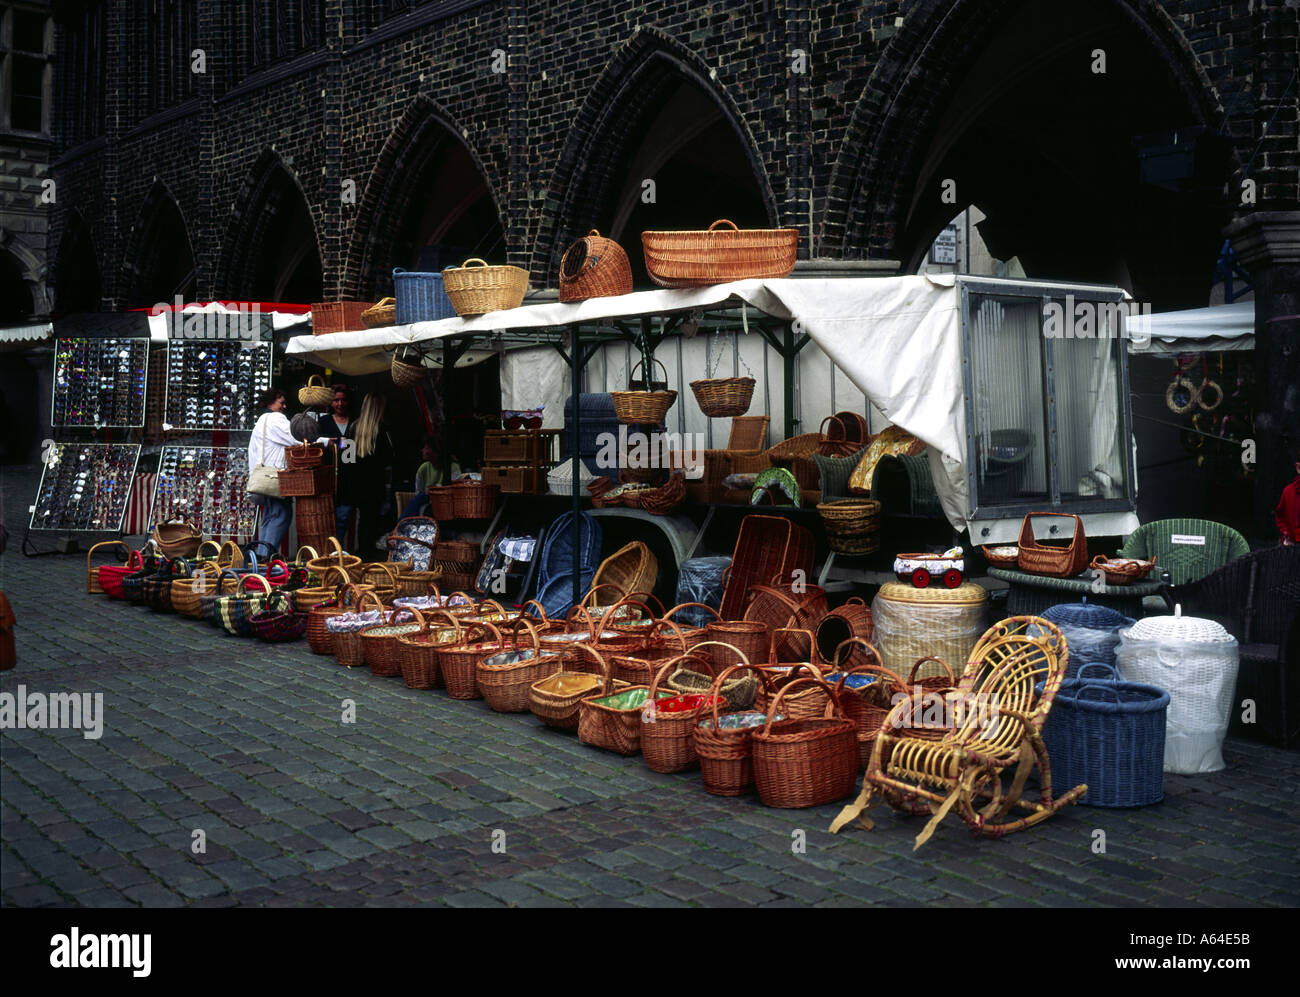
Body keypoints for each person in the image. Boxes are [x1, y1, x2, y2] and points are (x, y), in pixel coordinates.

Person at [247, 386, 300, 553]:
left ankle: (260, 556)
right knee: (281, 515)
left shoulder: (261, 421)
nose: (284, 406)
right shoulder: (276, 419)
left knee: (270, 516)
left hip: (264, 476)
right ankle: (265, 555)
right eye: (281, 402)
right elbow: (295, 438)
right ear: (272, 402)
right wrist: (324, 441)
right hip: (275, 477)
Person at [351, 392, 394, 552]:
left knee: (362, 521)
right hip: (375, 483)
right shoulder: (383, 430)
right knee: (373, 520)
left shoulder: (352, 427)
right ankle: (368, 555)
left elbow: (345, 458)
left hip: (356, 484)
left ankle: (362, 553)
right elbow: (389, 459)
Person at [318, 385, 356, 541]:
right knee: (326, 519)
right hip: (328, 477)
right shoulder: (324, 421)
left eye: (343, 400)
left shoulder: (355, 421)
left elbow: (352, 453)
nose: (340, 404)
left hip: (348, 478)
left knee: (343, 517)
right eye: (336, 400)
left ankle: (338, 551)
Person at [400, 435, 461, 519]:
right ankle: (400, 525)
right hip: (427, 500)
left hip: (446, 502)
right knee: (421, 497)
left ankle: (399, 525)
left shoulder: (453, 467)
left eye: (426, 448)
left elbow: (457, 491)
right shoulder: (423, 468)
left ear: (436, 451)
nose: (422, 450)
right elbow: (419, 492)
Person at [1276, 447, 1300, 546]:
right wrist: (1285, 533)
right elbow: (1280, 515)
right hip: (1291, 545)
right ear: (1298, 468)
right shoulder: (1288, 491)